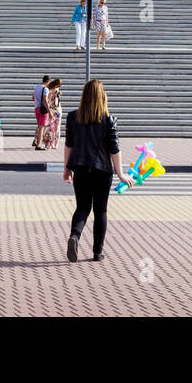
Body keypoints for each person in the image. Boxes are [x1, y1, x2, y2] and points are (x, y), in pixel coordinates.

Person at [63, 78, 134, 261]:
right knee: (100, 211)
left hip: (80, 168)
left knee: (82, 207)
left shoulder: (73, 117)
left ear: (84, 96)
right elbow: (114, 149)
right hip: (102, 171)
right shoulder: (108, 119)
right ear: (103, 96)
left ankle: (74, 236)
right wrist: (120, 173)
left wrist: (66, 169)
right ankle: (97, 252)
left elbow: (69, 145)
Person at [42, 78, 63, 150]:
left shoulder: (48, 90)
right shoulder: (56, 91)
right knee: (57, 128)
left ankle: (48, 144)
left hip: (50, 110)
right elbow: (56, 102)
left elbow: (46, 100)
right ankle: (55, 144)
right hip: (57, 111)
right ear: (57, 85)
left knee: (49, 128)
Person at [33, 75, 51, 150]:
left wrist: (37, 102)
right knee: (41, 128)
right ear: (47, 81)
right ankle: (38, 145)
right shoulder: (45, 89)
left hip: (36, 108)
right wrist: (49, 111)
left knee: (39, 126)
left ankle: (35, 140)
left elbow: (32, 98)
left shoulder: (36, 87)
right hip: (43, 110)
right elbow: (45, 101)